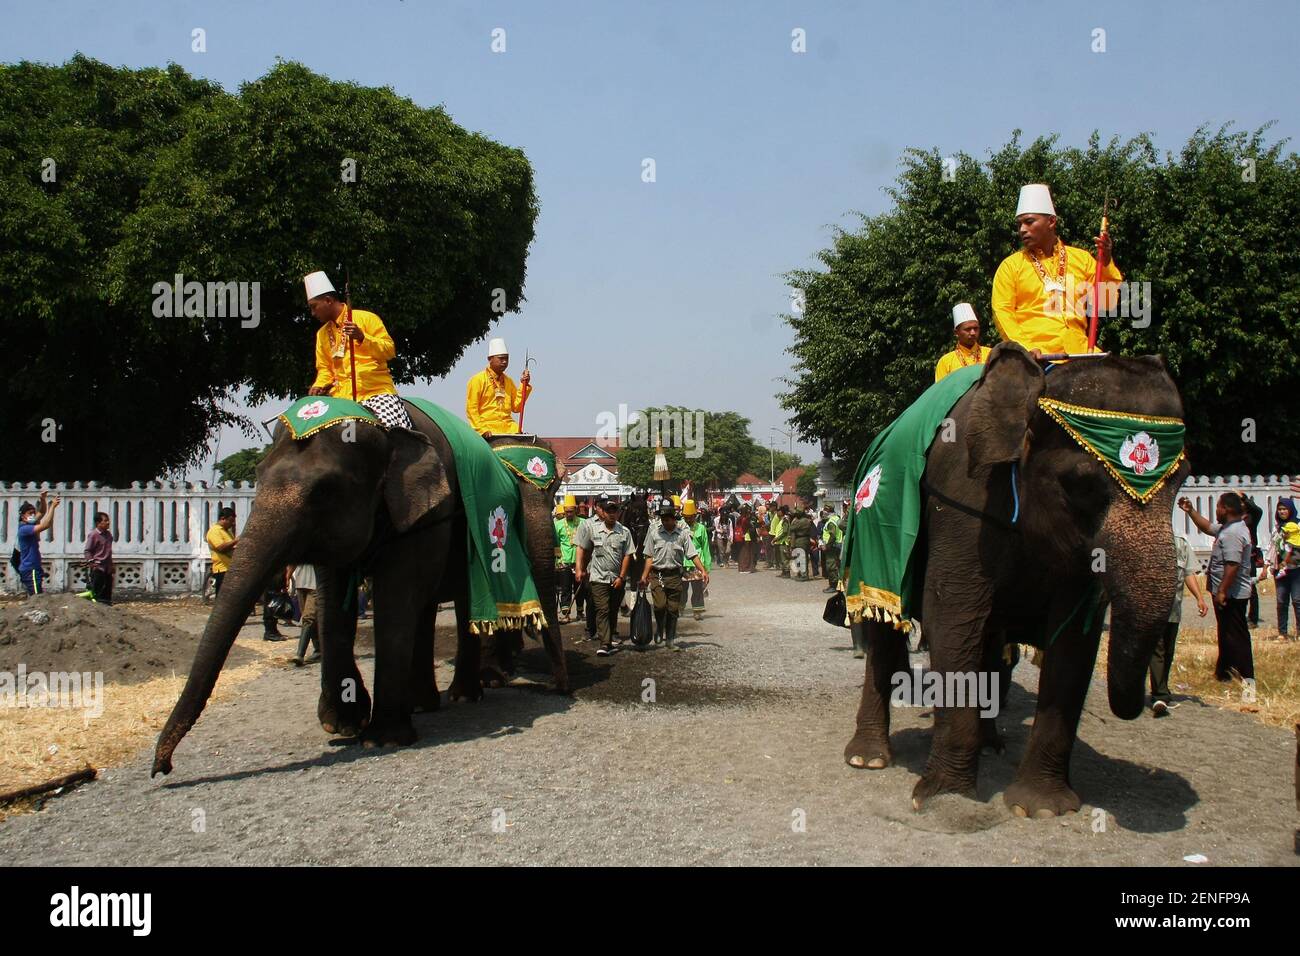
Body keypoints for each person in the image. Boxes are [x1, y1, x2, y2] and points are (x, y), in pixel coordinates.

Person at [991, 183, 1124, 359]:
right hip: (1034, 358)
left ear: (1051, 222)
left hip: (1081, 353)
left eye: (1029, 222)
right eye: (1019, 224)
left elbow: (1108, 302)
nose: (1022, 229)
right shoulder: (1011, 266)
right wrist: (1025, 347)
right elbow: (1002, 311)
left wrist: (1106, 261)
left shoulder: (1082, 259)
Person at [304, 270, 413, 429]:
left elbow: (389, 350)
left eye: (314, 307)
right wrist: (319, 385)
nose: (313, 313)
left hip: (376, 393)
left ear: (328, 300)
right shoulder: (321, 334)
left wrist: (363, 338)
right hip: (340, 399)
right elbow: (325, 369)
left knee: (391, 431)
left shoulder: (365, 318)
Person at [1178, 493, 1255, 682]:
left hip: (1232, 593)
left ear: (1226, 509)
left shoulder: (1232, 534)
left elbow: (1232, 565)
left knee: (1236, 635)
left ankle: (1246, 676)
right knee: (1226, 632)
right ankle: (1225, 672)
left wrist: (1221, 590)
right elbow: (1207, 527)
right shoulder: (1229, 528)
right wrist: (1191, 511)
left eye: (1218, 507)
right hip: (1228, 591)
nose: (1216, 511)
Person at [1148, 531, 1209, 716]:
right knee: (1156, 650)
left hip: (1174, 608)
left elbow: (1189, 573)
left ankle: (1162, 688)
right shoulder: (1148, 543)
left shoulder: (1181, 545)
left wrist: (1200, 598)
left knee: (1168, 650)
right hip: (1152, 608)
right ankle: (1159, 695)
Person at [640, 499, 709, 650]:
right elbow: (649, 557)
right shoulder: (653, 533)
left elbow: (693, 555)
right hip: (657, 575)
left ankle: (670, 639)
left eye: (668, 519)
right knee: (659, 606)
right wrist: (644, 576)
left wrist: (703, 570)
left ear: (674, 519)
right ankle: (659, 627)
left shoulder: (682, 535)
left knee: (673, 610)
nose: (665, 522)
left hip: (675, 576)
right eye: (663, 519)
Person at [574, 494, 634, 657]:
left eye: (615, 511)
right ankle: (604, 643)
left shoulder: (625, 532)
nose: (612, 514)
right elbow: (583, 549)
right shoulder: (592, 529)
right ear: (603, 512)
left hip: (616, 579)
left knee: (613, 609)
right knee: (602, 609)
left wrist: (621, 577)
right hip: (597, 577)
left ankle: (610, 638)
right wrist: (580, 568)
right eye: (609, 511)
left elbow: (628, 555)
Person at [466, 337, 532, 436]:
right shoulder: (477, 380)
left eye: (506, 358)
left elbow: (516, 407)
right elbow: (472, 409)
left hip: (509, 428)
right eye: (501, 358)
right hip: (487, 428)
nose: (505, 361)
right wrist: (481, 430)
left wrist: (524, 385)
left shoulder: (508, 381)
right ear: (490, 359)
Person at [1266, 497, 1300, 641]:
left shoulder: (1297, 525)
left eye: (1284, 509)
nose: (1282, 512)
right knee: (1281, 601)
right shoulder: (1277, 528)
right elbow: (1273, 547)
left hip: (1296, 569)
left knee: (1297, 601)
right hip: (1280, 570)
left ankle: (1299, 632)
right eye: (1280, 509)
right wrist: (1267, 566)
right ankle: (1282, 632)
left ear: (1290, 510)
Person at [15, 493, 60, 597]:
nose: (33, 515)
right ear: (23, 516)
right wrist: (52, 506)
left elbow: (42, 512)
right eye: (30, 513)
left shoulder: (29, 523)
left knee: (35, 597)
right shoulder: (24, 529)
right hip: (30, 570)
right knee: (37, 598)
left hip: (33, 568)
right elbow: (46, 524)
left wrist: (43, 499)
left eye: (33, 513)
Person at [935, 303, 993, 381]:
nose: (973, 333)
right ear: (956, 333)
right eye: (967, 329)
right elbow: (941, 391)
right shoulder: (946, 362)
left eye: (975, 328)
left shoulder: (991, 354)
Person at [682, 500, 712, 620]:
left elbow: (705, 547)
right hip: (683, 563)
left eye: (691, 517)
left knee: (697, 589)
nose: (688, 519)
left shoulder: (701, 528)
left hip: (697, 564)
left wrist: (707, 567)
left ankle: (697, 611)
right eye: (686, 517)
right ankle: (680, 608)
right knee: (682, 589)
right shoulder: (679, 527)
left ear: (695, 516)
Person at [554, 496, 581, 623]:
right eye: (567, 511)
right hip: (564, 562)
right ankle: (566, 614)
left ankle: (580, 612)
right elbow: (555, 544)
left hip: (579, 562)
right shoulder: (558, 524)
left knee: (580, 588)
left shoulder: (583, 523)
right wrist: (557, 559)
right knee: (565, 589)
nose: (569, 513)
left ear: (575, 510)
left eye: (571, 511)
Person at [289, 563, 320, 665]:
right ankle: (319, 650)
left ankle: (300, 654)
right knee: (309, 620)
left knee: (308, 618)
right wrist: (288, 576)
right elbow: (293, 561)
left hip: (316, 585)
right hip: (301, 584)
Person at [81, 511, 114, 605]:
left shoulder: (108, 535)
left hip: (107, 567)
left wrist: (111, 564)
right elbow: (87, 551)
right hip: (98, 567)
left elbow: (109, 551)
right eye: (105, 521)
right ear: (98, 523)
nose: (108, 523)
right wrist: (92, 563)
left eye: (108, 520)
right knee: (97, 591)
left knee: (107, 590)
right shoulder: (94, 535)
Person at [206, 507, 238, 598]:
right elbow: (221, 547)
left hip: (230, 567)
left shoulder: (227, 531)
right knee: (222, 597)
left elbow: (231, 546)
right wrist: (236, 541)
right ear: (223, 518)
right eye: (230, 521)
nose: (232, 524)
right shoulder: (214, 531)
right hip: (222, 568)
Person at [786, 505, 815, 581]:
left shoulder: (799, 521)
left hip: (800, 540)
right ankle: (801, 574)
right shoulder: (807, 520)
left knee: (801, 558)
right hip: (805, 539)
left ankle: (804, 575)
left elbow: (792, 529)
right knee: (801, 557)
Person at [820, 507, 843, 593]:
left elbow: (832, 535)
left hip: (832, 547)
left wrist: (827, 546)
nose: (824, 512)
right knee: (837, 566)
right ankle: (839, 584)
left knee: (831, 566)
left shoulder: (831, 522)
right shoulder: (837, 518)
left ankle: (833, 585)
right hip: (837, 545)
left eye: (825, 510)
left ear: (828, 511)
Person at [770, 506, 789, 577]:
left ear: (781, 512)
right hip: (779, 542)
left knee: (784, 559)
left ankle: (787, 572)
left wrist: (775, 539)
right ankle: (783, 572)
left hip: (783, 543)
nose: (777, 512)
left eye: (778, 511)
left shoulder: (785, 520)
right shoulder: (781, 520)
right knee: (781, 558)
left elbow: (784, 532)